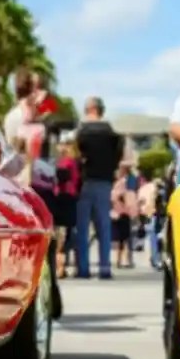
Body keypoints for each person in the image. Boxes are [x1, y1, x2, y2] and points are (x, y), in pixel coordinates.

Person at [74, 96, 123, 279]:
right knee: (104, 226)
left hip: (84, 181)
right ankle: (105, 268)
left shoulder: (81, 131)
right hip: (104, 181)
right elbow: (118, 156)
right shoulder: (112, 134)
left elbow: (74, 155)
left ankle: (83, 268)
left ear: (89, 109)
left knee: (83, 227)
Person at [54, 139, 81, 278]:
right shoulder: (73, 162)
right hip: (70, 197)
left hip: (61, 197)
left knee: (61, 234)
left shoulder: (62, 162)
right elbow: (76, 180)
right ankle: (65, 266)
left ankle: (60, 268)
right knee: (68, 233)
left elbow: (60, 179)